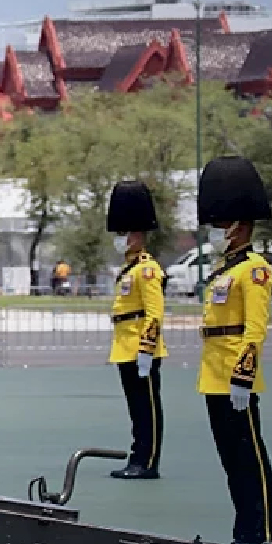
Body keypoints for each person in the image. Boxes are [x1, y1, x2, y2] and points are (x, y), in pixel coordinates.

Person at [196, 157, 272, 544]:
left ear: (239, 225)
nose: (214, 230)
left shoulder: (254, 270)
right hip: (213, 374)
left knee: (249, 459)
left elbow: (254, 328)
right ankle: (242, 531)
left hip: (235, 375)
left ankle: (259, 534)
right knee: (231, 461)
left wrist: (243, 375)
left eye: (219, 223)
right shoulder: (225, 269)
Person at [105, 180, 167, 481]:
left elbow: (154, 313)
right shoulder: (129, 269)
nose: (121, 238)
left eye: (124, 232)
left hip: (141, 348)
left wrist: (146, 348)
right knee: (136, 409)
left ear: (138, 233)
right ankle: (137, 455)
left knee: (147, 410)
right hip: (125, 347)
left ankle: (148, 459)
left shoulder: (147, 269)